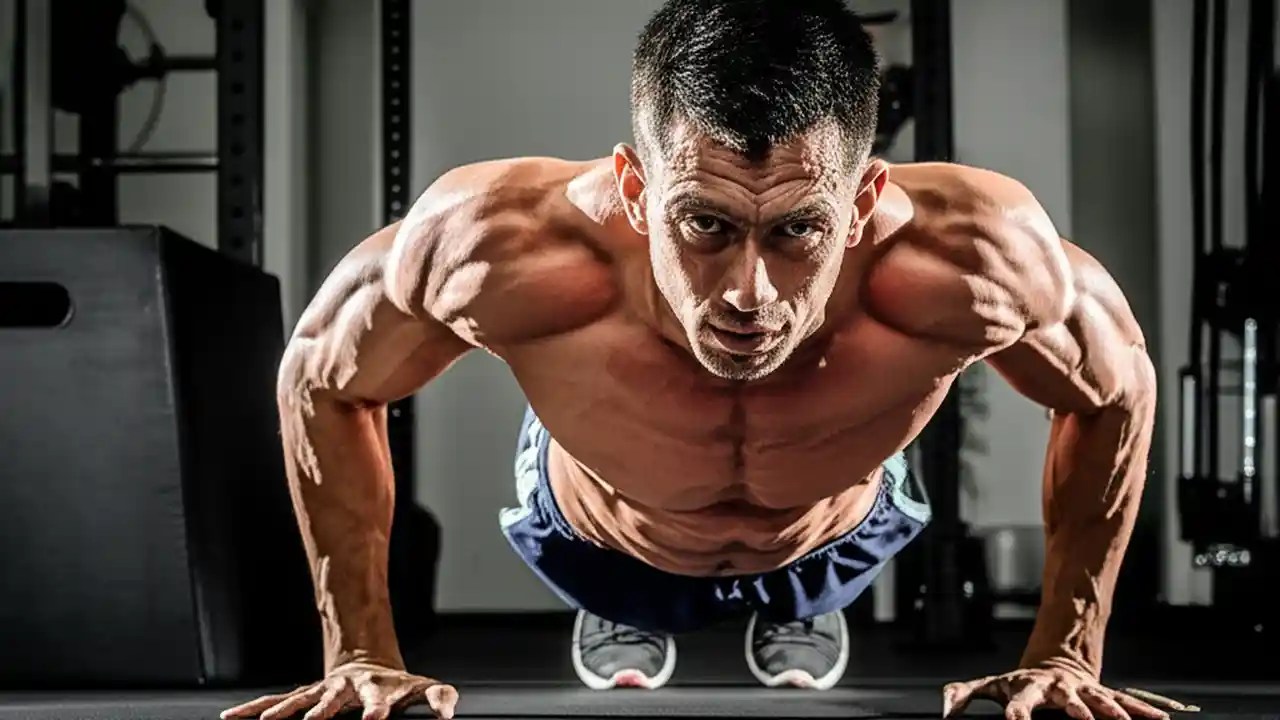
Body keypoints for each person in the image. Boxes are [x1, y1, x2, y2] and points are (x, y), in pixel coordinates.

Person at [220, 2, 1172, 719]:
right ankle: (627, 605)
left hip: (837, 533)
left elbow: (1117, 384)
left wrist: (1068, 653)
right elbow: (321, 371)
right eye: (705, 224)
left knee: (845, 413)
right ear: (637, 188)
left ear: (866, 194)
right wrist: (361, 652)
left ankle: (799, 600)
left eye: (801, 229)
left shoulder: (973, 254)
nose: (748, 293)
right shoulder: (497, 242)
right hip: (594, 536)